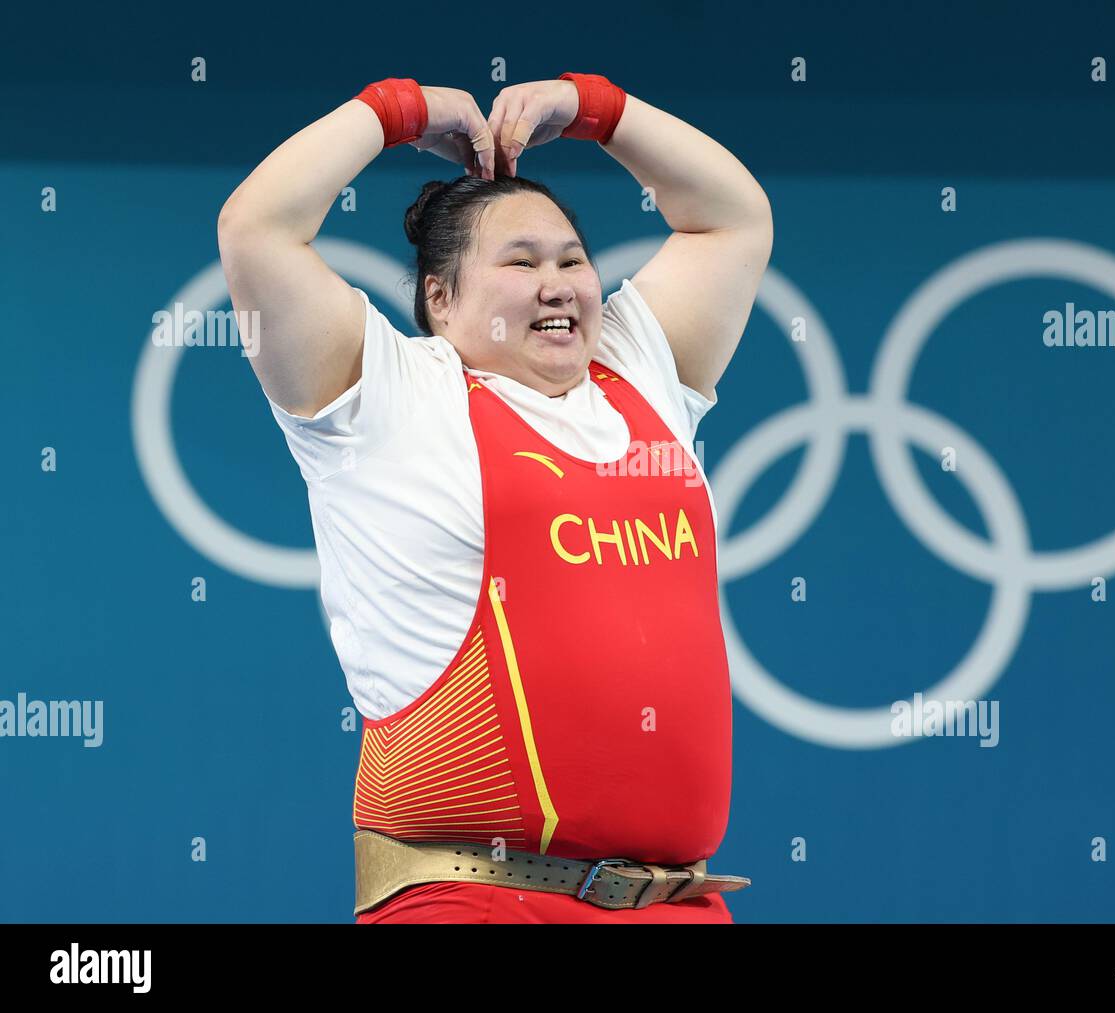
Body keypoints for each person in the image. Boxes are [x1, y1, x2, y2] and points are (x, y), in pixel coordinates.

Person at [217, 73, 773, 923]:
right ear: (439, 299)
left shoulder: (640, 371)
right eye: (521, 262)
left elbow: (733, 217)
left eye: (573, 259)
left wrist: (593, 108)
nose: (559, 284)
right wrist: (399, 111)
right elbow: (258, 229)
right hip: (472, 901)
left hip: (677, 903)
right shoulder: (389, 396)